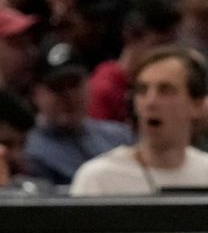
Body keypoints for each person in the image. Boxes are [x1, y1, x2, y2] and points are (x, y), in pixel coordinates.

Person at [70, 46, 208, 195]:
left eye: (166, 90)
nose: (150, 102)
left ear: (197, 105)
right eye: (142, 90)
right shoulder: (99, 178)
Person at [23, 42, 132, 184]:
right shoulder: (31, 152)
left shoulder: (120, 137)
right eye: (57, 87)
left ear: (88, 84)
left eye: (74, 84)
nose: (68, 96)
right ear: (36, 94)